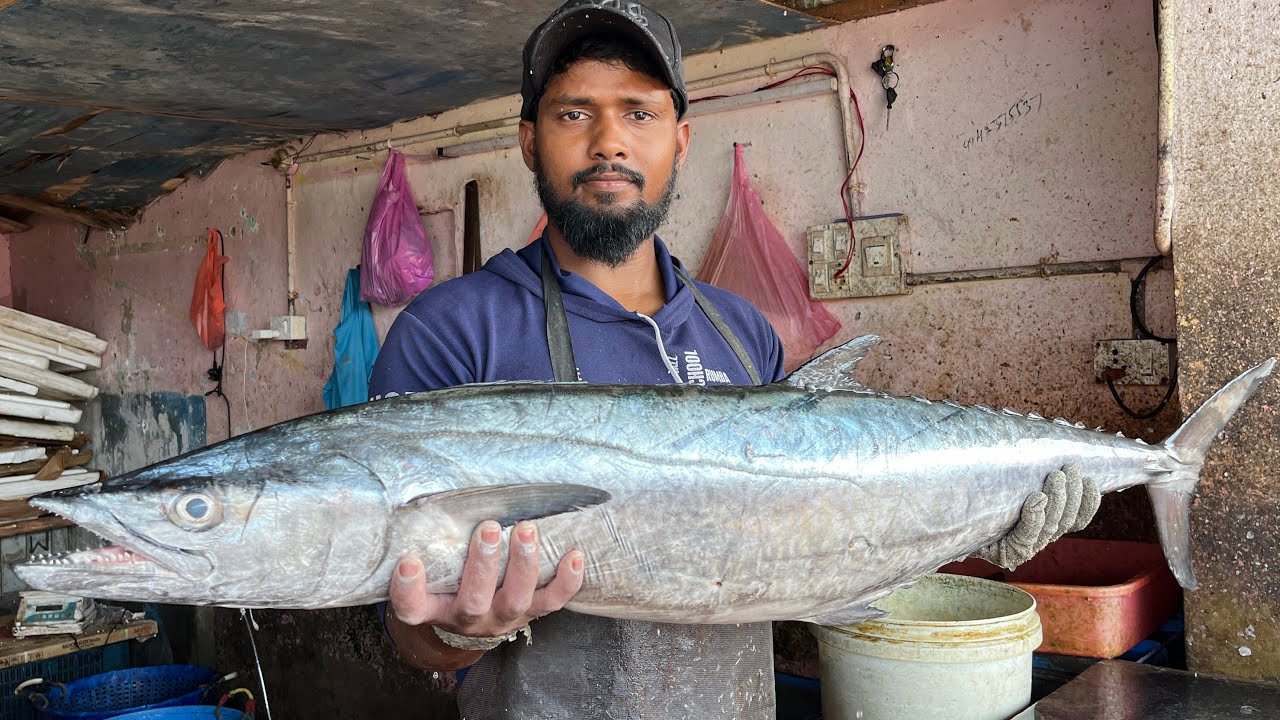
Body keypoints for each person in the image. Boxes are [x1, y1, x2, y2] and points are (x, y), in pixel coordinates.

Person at [367, 1, 1100, 717]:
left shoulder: (742, 330)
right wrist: (457, 631)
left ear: (681, 141)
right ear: (529, 140)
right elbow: (401, 634)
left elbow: (814, 535)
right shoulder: (451, 330)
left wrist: (979, 521)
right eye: (574, 113)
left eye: (639, 113)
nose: (609, 143)